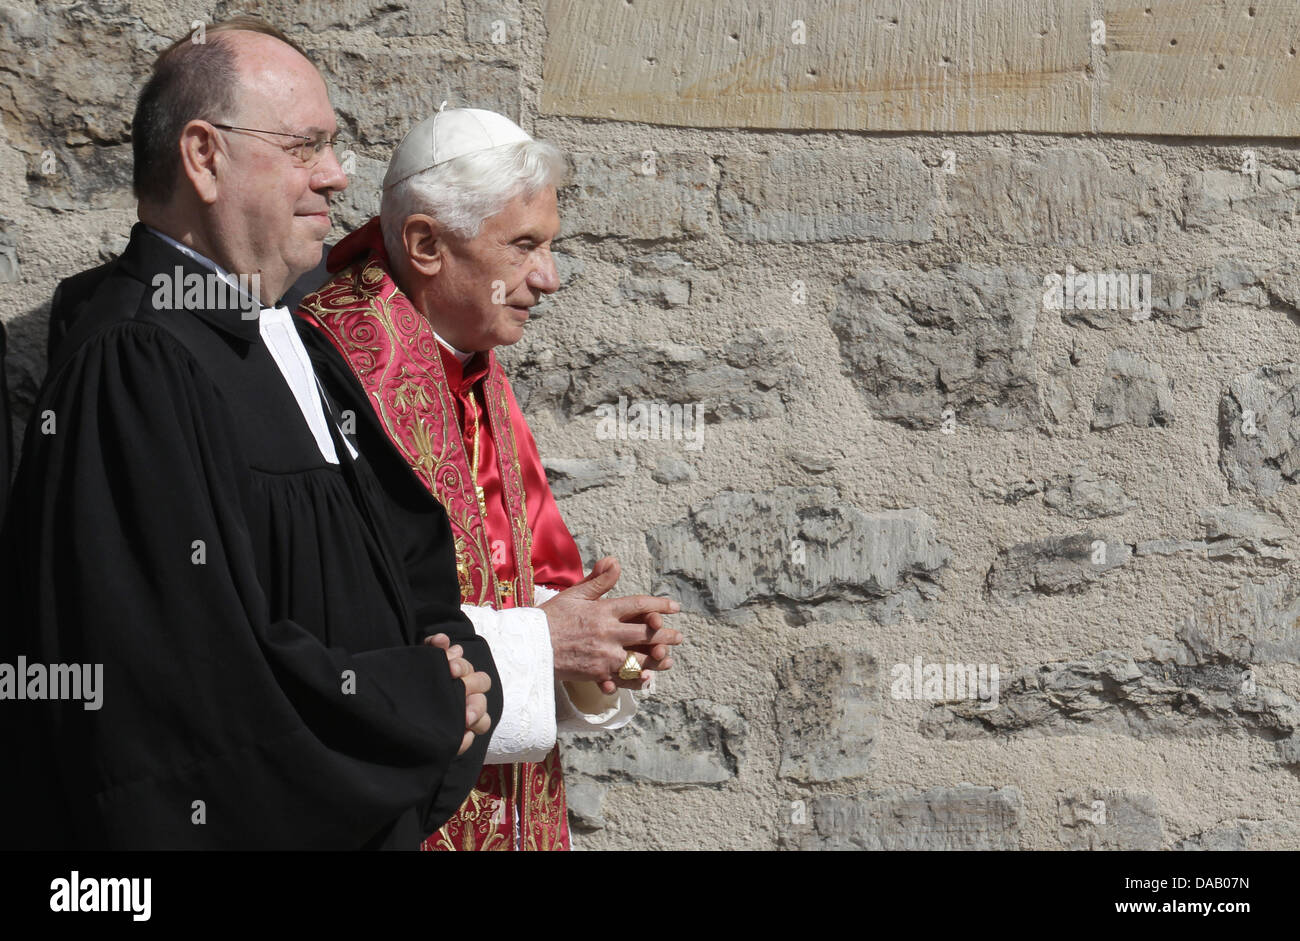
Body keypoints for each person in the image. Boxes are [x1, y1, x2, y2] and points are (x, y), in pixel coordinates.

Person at [0, 18, 499, 849]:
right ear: (204, 156)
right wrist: (426, 702)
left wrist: (462, 676)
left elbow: (406, 566)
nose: (338, 177)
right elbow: (188, 688)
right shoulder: (137, 361)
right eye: (306, 147)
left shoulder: (288, 335)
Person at [298, 107, 683, 850]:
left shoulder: (476, 367)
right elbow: (345, 632)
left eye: (551, 246)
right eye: (525, 246)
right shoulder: (325, 369)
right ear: (425, 244)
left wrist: (597, 646)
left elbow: (505, 578)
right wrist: (545, 641)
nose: (551, 277)